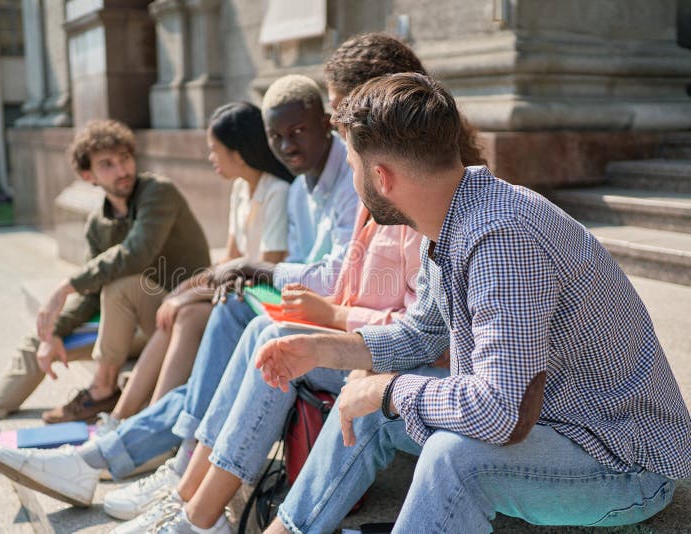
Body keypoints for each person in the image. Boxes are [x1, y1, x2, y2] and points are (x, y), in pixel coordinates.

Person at [257, 73, 691, 533]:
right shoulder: (451, 215)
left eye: (352, 165)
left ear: (380, 178)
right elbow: (420, 336)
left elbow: (499, 410)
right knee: (371, 403)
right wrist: (321, 350)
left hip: (621, 463)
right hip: (553, 424)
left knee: (450, 456)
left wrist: (387, 391)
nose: (353, 178)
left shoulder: (501, 240)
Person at [111, 31, 484, 534]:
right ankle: (189, 499)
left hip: (439, 377)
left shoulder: (435, 208)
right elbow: (367, 289)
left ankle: (194, 512)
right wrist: (318, 317)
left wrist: (332, 324)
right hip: (394, 351)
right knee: (262, 332)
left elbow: (441, 349)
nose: (332, 132)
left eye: (335, 116)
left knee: (289, 346)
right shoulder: (387, 195)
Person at [0, 75, 359, 507]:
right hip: (286, 310)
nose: (288, 145)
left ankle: (150, 458)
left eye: (298, 132)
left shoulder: (342, 180)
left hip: (334, 326)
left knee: (224, 325)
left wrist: (237, 278)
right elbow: (265, 267)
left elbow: (324, 276)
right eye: (277, 136)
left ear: (327, 121)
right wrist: (211, 284)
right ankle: (116, 450)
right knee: (219, 328)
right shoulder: (300, 190)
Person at [0, 119, 211, 471]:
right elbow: (90, 297)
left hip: (180, 325)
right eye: (107, 164)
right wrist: (55, 332)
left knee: (125, 284)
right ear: (88, 176)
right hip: (135, 331)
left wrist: (65, 285)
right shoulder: (98, 224)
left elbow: (135, 254)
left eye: (124, 158)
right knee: (40, 337)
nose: (121, 169)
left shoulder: (158, 193)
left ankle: (103, 392)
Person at [97, 101, 294, 434]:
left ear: (239, 152)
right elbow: (227, 262)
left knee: (186, 315)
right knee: (173, 311)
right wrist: (180, 291)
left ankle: (150, 431)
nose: (211, 159)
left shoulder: (278, 192)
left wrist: (186, 298)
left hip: (258, 305)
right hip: (234, 293)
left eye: (215, 151)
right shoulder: (240, 190)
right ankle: (119, 419)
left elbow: (267, 270)